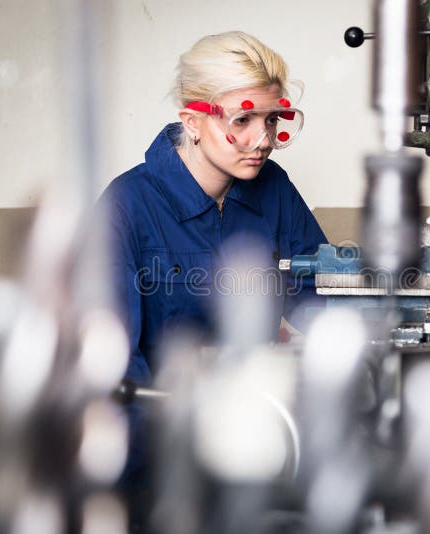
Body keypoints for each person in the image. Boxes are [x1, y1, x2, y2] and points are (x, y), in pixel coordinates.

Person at [98, 31, 327, 495]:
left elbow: (319, 294)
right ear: (194, 121)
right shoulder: (128, 206)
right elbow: (116, 368)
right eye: (243, 120)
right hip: (157, 457)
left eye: (273, 120)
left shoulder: (273, 191)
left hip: (256, 446)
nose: (262, 141)